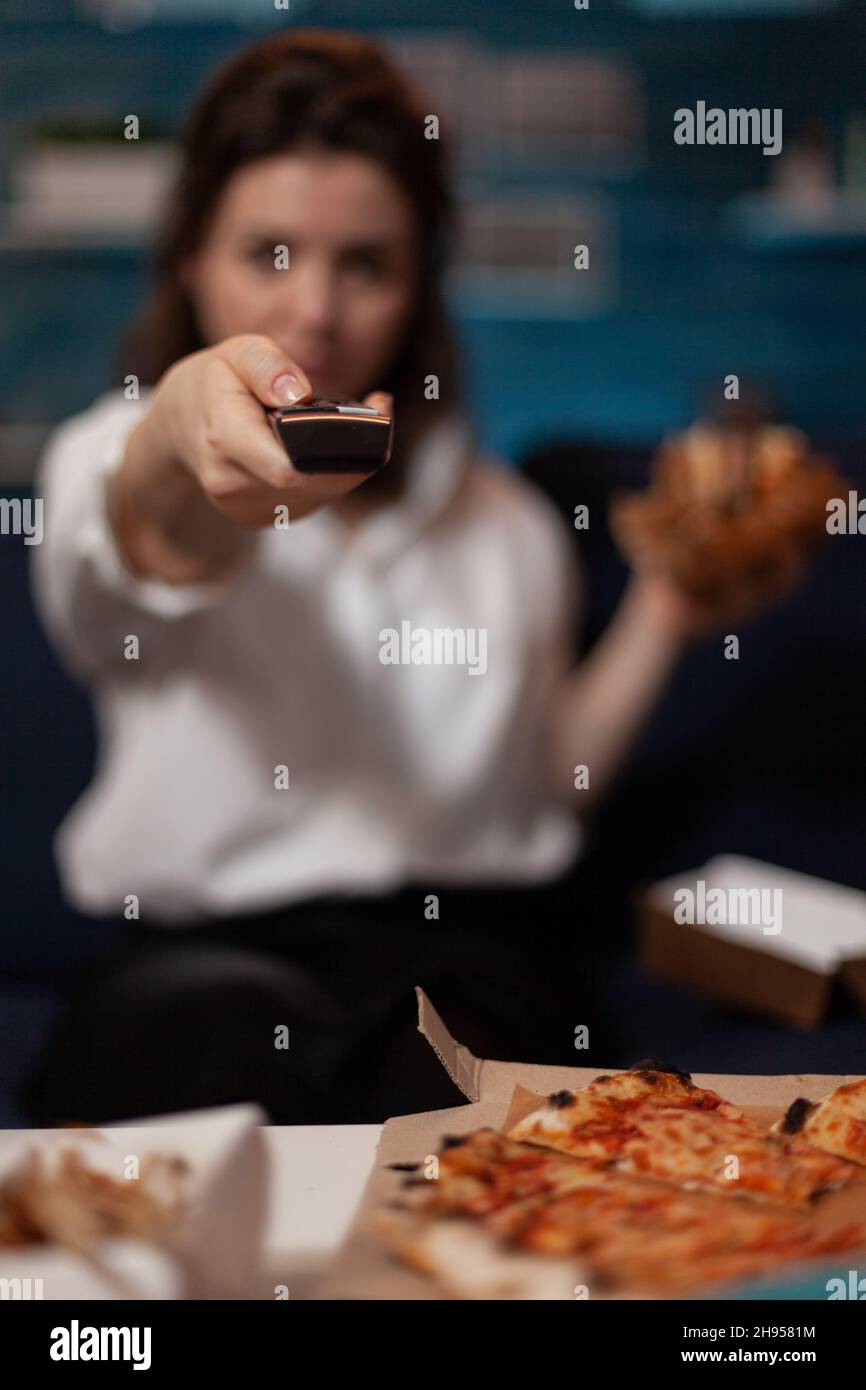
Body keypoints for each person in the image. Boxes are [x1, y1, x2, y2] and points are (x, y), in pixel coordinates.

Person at [23, 31, 795, 1126]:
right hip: (197, 957)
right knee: (213, 1065)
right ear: (190, 257)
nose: (315, 316)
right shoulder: (107, 455)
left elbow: (539, 795)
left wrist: (664, 614)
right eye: (268, 253)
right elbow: (151, 532)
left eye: (367, 264)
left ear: (417, 288)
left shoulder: (509, 524)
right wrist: (185, 425)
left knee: (478, 1137)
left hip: (470, 951)